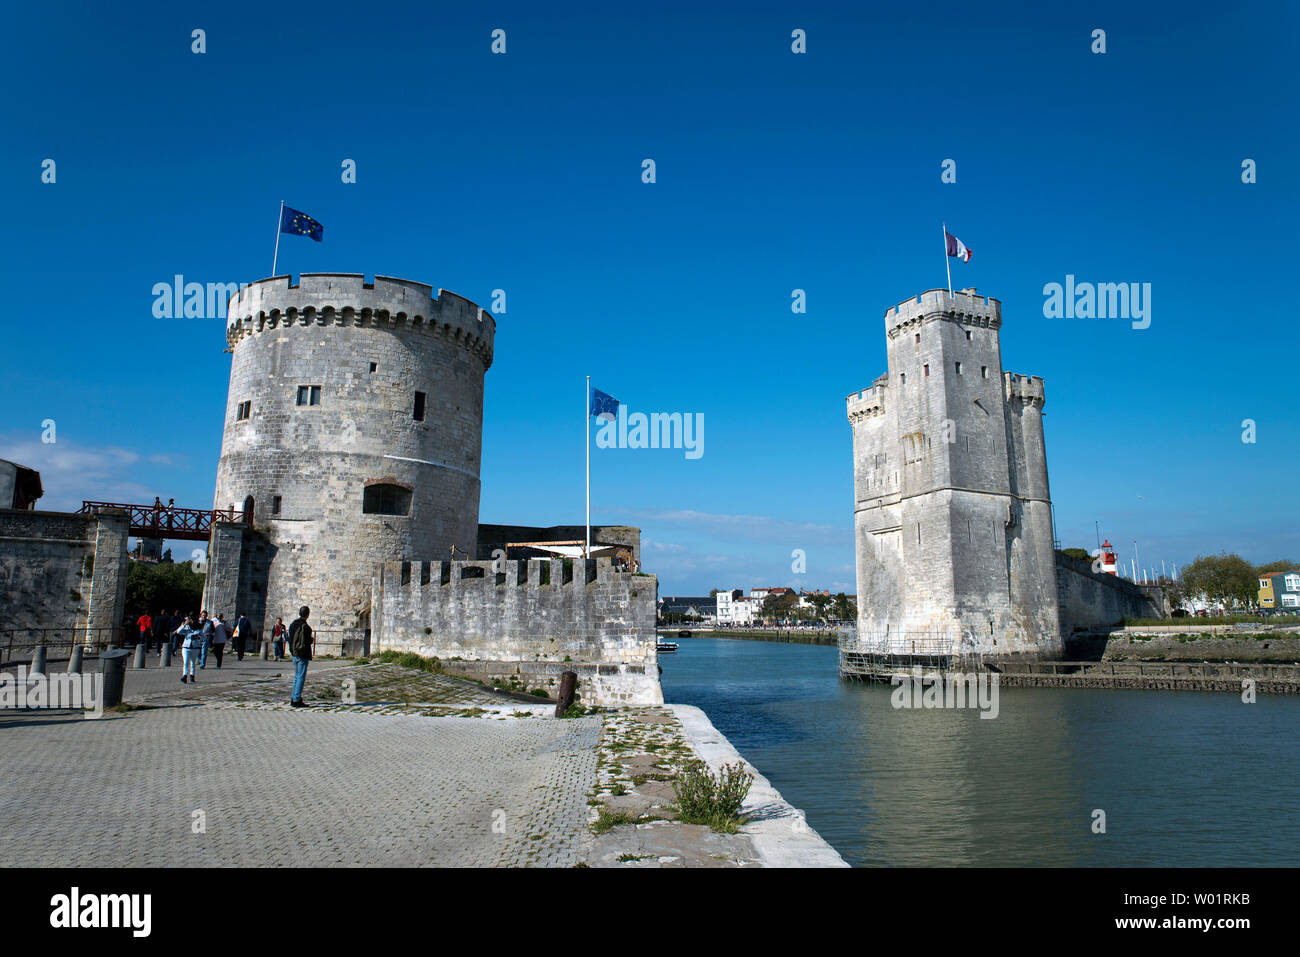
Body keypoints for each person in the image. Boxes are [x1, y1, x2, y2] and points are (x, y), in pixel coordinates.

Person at [287, 606, 313, 707]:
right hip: (302, 654)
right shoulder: (306, 627)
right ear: (307, 614)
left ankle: (294, 697)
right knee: (301, 677)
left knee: (296, 677)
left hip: (294, 653)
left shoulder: (293, 624)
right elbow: (307, 641)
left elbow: (290, 638)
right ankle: (297, 699)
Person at [174, 614, 201, 683]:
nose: (191, 622)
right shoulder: (187, 627)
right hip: (186, 647)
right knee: (185, 662)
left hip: (195, 647)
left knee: (192, 663)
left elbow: (204, 638)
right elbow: (178, 632)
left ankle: (192, 675)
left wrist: (198, 637)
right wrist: (184, 624)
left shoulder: (198, 628)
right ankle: (184, 676)